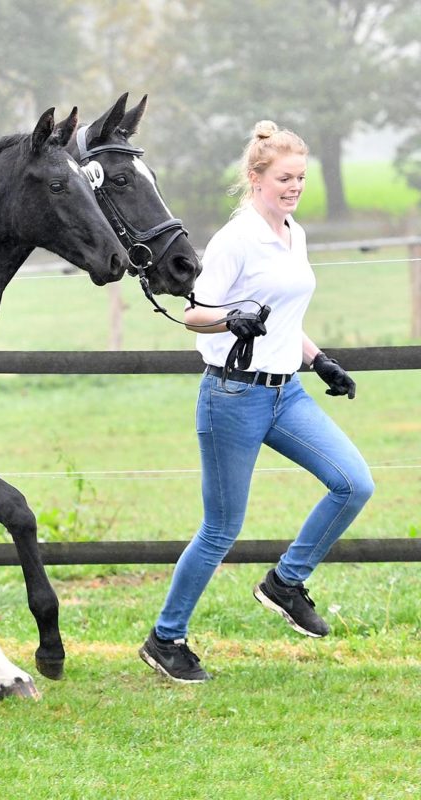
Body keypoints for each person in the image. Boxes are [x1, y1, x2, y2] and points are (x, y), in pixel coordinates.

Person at [138, 120, 375, 683]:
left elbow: (283, 315)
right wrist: (229, 317)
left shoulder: (293, 232)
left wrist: (319, 360)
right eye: (284, 178)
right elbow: (195, 311)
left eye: (300, 178)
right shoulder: (236, 238)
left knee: (354, 483)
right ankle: (165, 639)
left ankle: (286, 583)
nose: (294, 187)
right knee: (221, 528)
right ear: (256, 177)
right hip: (232, 394)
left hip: (285, 392)